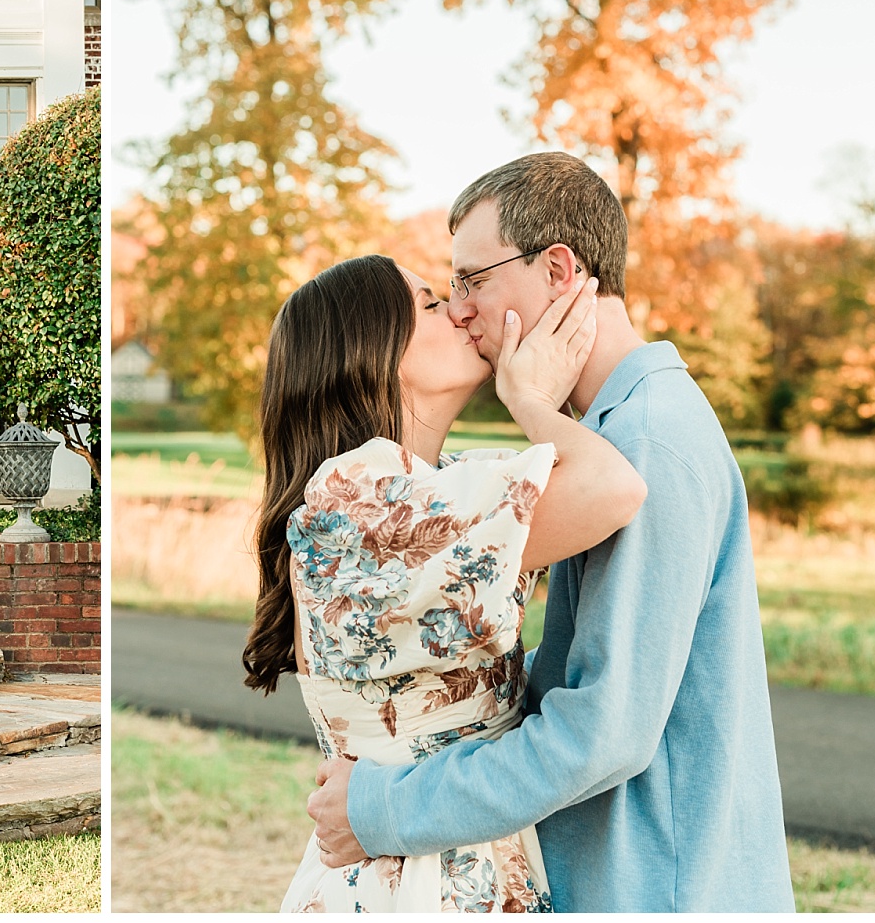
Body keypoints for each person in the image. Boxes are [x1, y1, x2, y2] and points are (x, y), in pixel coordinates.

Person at [308, 152, 794, 912]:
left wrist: (383, 807)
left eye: (473, 280)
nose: (461, 309)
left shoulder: (646, 443)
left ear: (559, 268)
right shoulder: (609, 434)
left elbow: (602, 732)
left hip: (650, 888)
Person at [244, 252, 645, 911]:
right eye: (430, 304)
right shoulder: (357, 503)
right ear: (371, 352)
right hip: (413, 882)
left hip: (465, 857)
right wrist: (532, 399)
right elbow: (614, 486)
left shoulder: (440, 485)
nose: (461, 310)